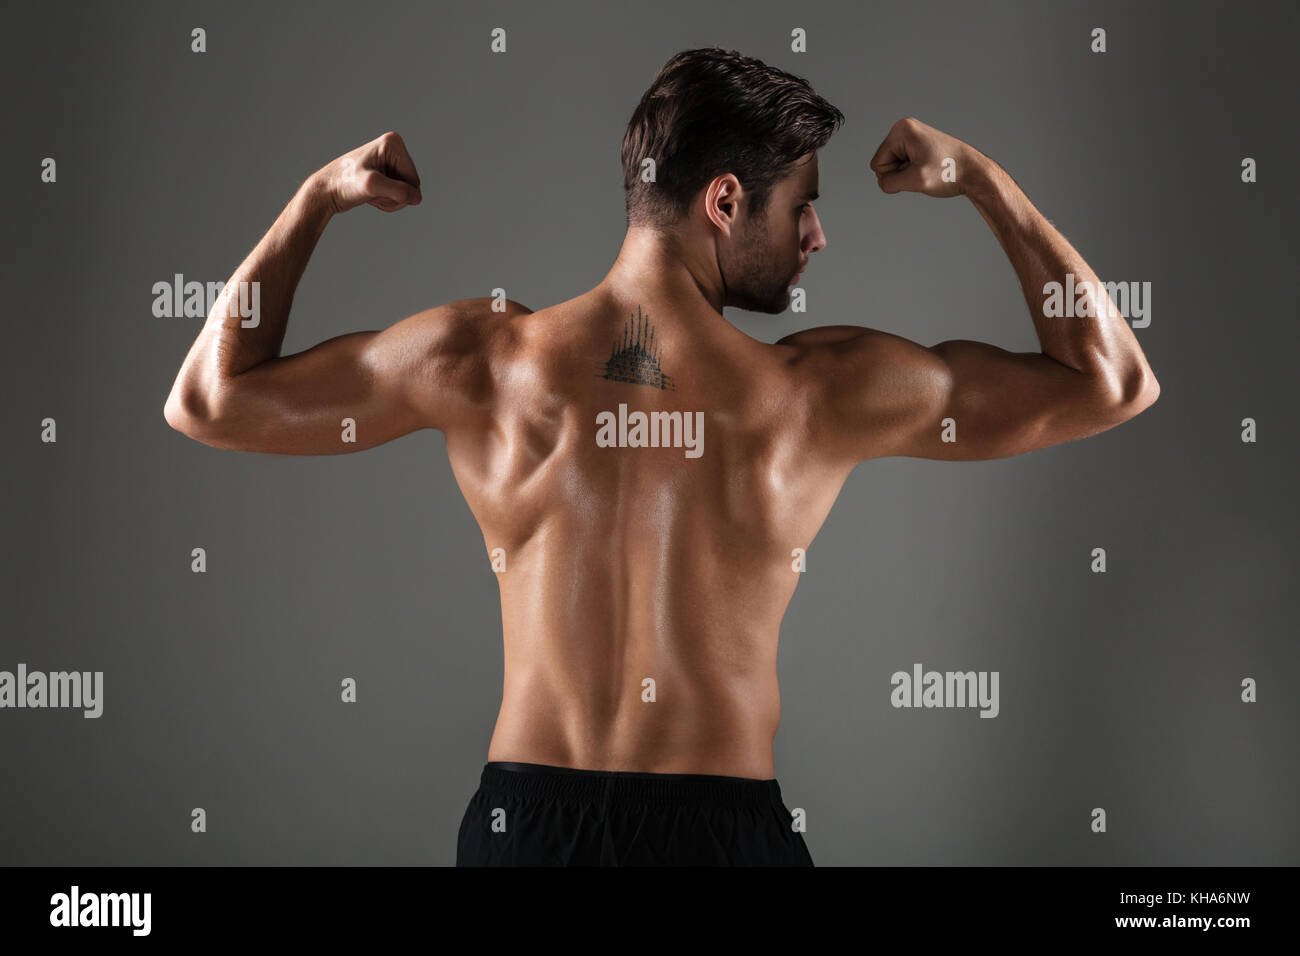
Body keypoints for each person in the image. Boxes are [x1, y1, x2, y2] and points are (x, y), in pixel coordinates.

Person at [164, 48, 1159, 866]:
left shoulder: (486, 362)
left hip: (526, 830)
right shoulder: (812, 394)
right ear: (724, 201)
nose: (816, 235)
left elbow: (210, 399)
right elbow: (1110, 380)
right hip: (715, 837)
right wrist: (986, 184)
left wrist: (315, 199)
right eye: (798, 206)